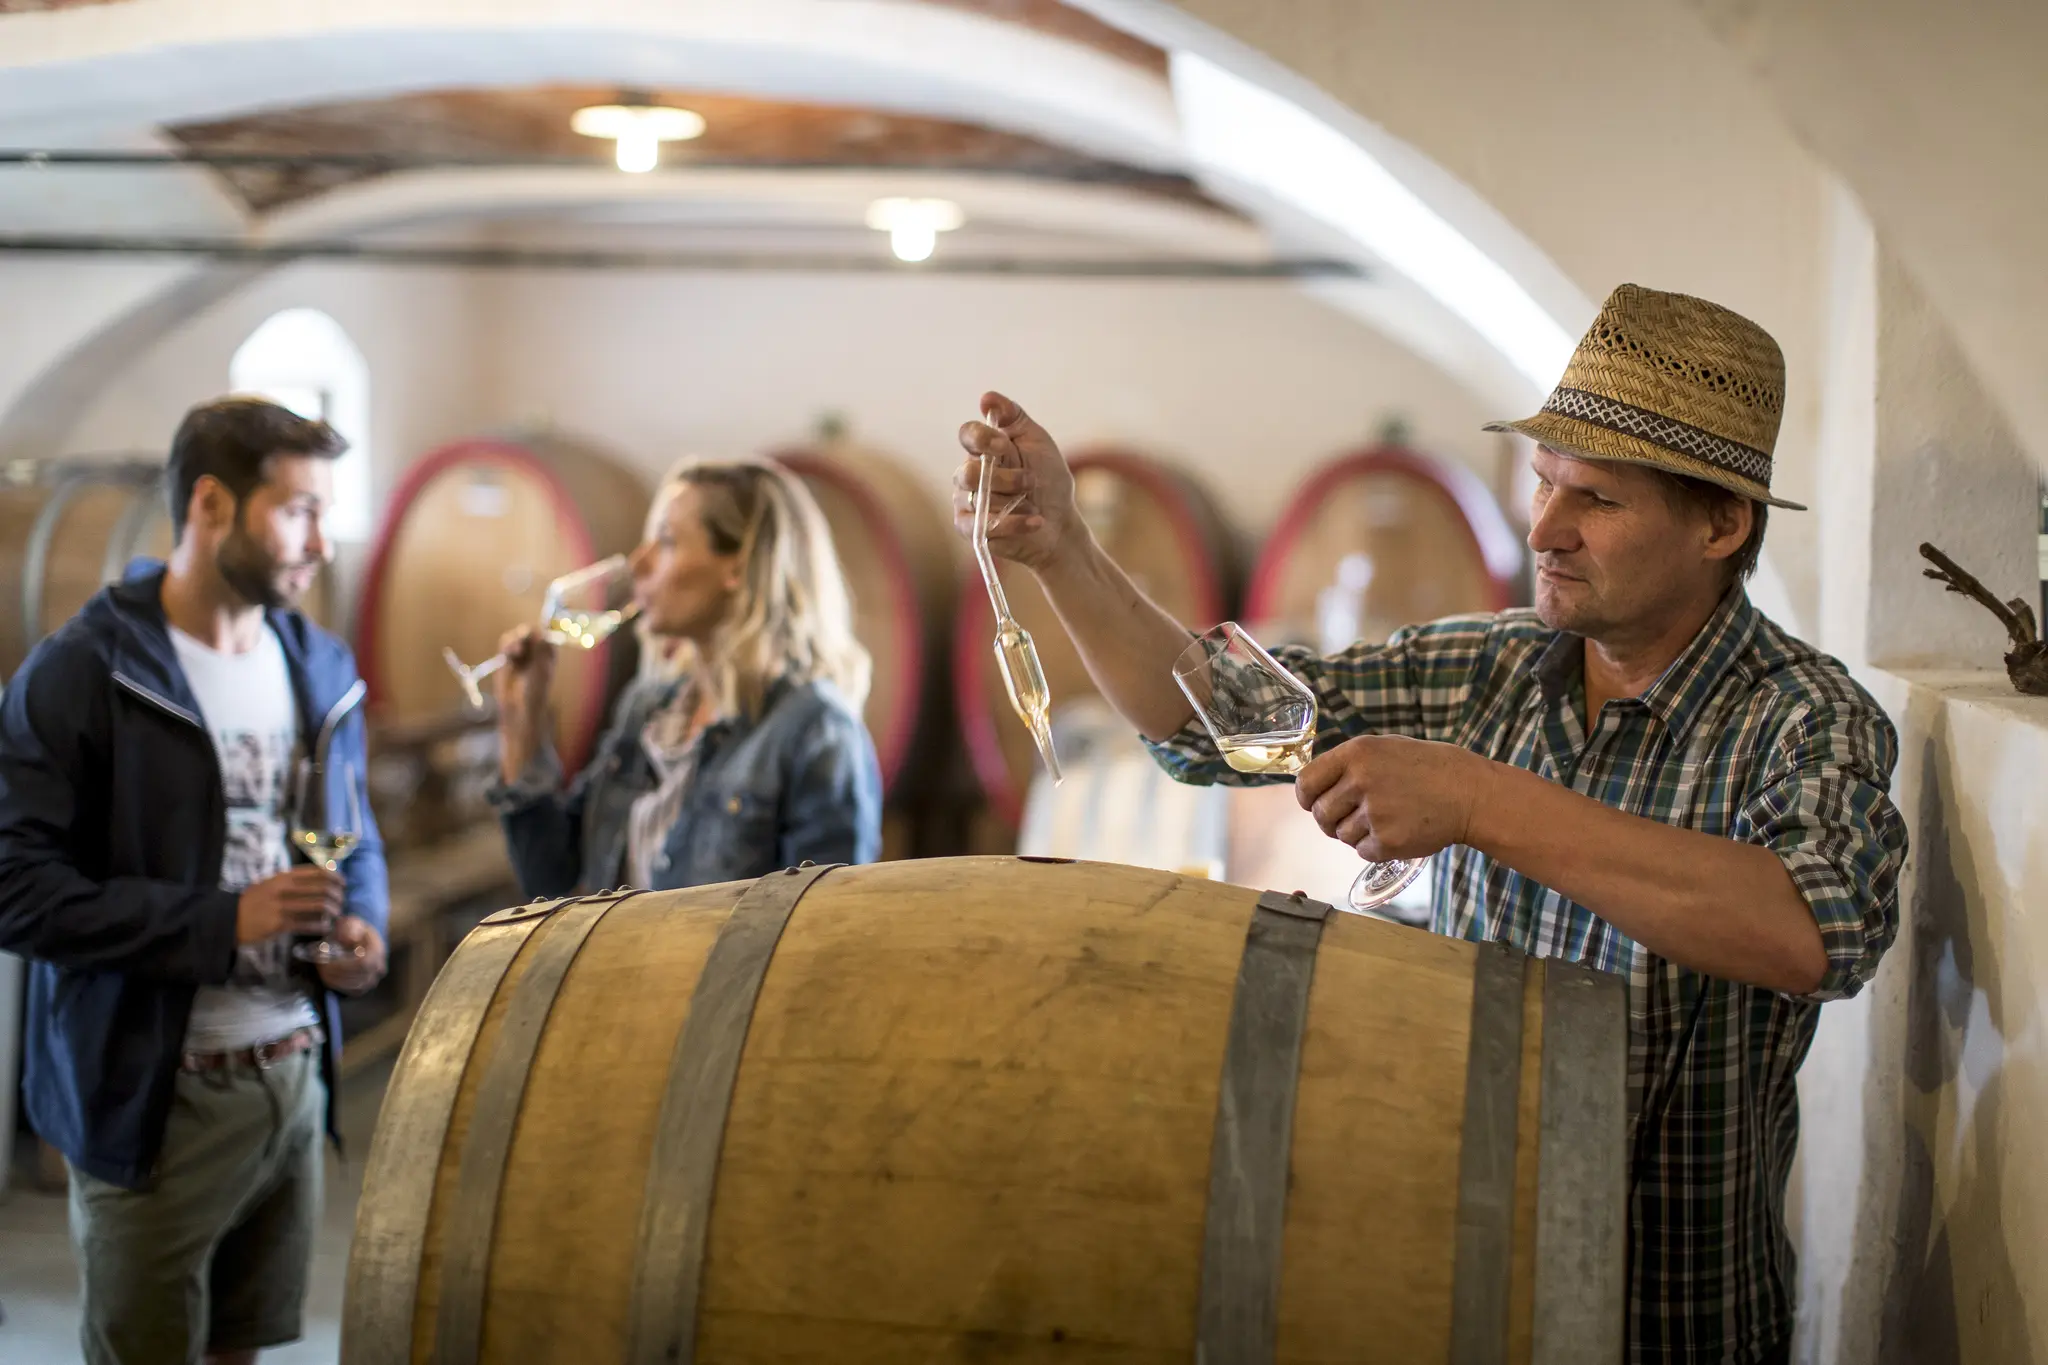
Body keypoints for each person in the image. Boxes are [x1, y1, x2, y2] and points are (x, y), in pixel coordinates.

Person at [952, 284, 1907, 1365]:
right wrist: (1062, 550)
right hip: (1445, 1293)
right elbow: (1206, 723)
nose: (1543, 529)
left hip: (1663, 1321)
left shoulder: (1805, 717)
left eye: (1593, 499)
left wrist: (1479, 801)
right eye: (1541, 484)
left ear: (1719, 525)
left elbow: (1813, 931)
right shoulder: (1490, 664)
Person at [0, 397, 390, 1365]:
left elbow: (359, 838)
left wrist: (363, 930)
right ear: (212, 505)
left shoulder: (319, 665)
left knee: (243, 1350)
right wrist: (219, 924)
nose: (321, 544)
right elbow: (16, 889)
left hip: (292, 1082)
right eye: (298, 511)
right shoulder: (84, 672)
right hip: (155, 1100)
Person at [491, 455, 882, 894]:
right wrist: (521, 725)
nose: (639, 563)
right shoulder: (651, 709)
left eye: (667, 540)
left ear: (739, 565)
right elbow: (553, 882)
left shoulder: (817, 732)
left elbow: (821, 932)